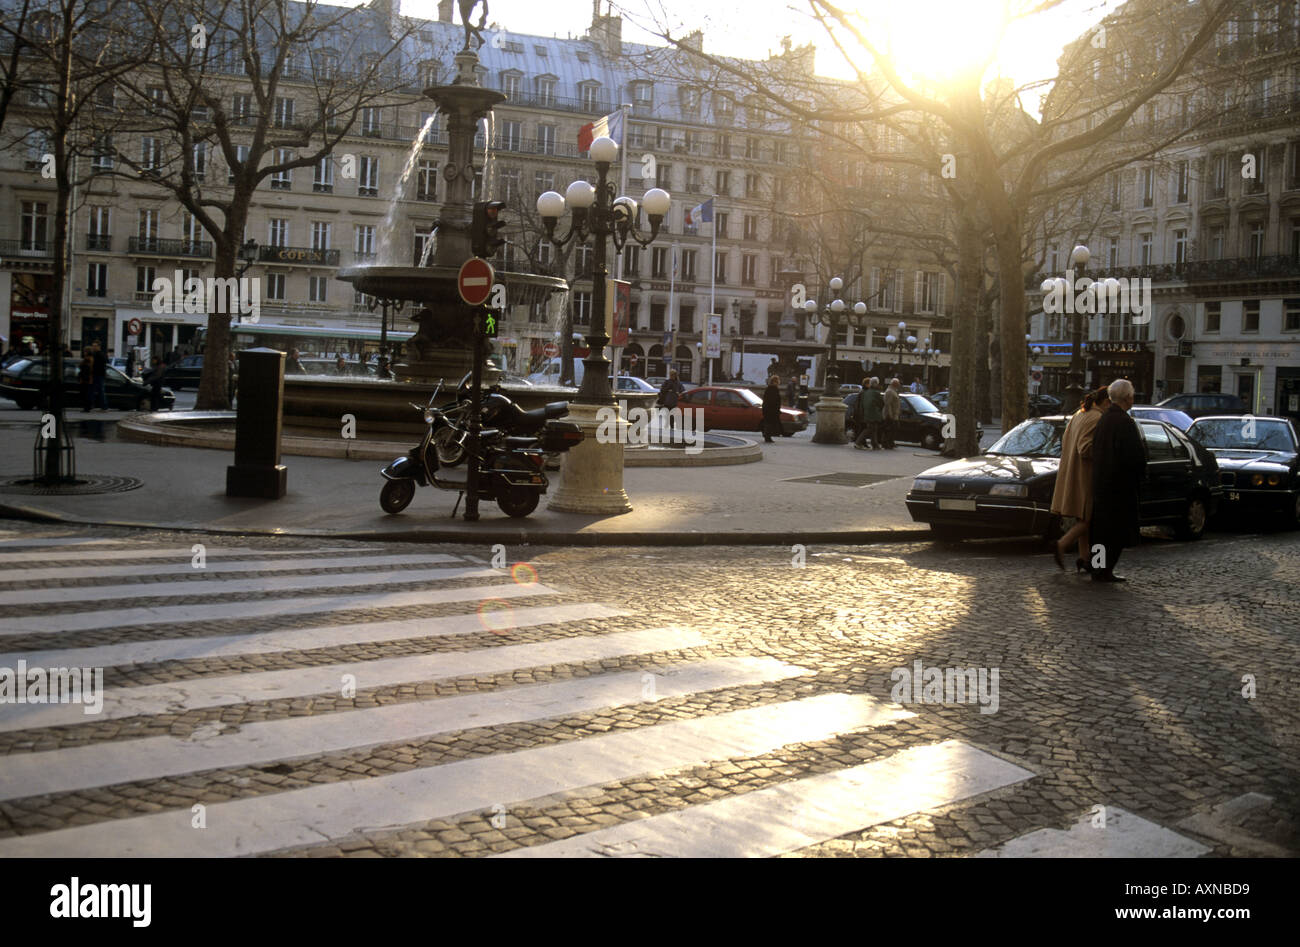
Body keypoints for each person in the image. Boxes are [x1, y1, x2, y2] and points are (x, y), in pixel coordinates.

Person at [1089, 378, 1144, 583]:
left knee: (1101, 531)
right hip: (1119, 486)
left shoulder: (1103, 419)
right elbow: (1133, 456)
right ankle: (1105, 570)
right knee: (1116, 533)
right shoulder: (1125, 422)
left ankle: (1098, 568)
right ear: (1128, 398)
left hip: (1101, 482)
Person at [1050, 386, 1110, 573]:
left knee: (1084, 519)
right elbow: (1085, 448)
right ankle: (1062, 544)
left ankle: (1084, 558)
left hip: (1073, 473)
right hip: (1086, 475)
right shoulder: (1096, 417)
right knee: (1088, 519)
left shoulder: (1080, 414)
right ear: (1106, 402)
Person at [854, 377, 884, 449]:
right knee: (870, 429)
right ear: (875, 384)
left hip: (866, 413)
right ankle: (858, 442)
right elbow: (881, 403)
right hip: (874, 413)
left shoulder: (866, 392)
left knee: (873, 429)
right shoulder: (876, 393)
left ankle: (875, 445)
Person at [656, 370, 685, 441]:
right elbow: (662, 389)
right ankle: (668, 427)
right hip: (667, 401)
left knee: (671, 415)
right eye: (670, 375)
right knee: (668, 415)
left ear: (675, 375)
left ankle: (670, 427)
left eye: (672, 375)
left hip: (674, 402)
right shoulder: (667, 382)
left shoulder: (678, 383)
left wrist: (679, 393)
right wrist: (668, 388)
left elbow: (683, 391)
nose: (671, 376)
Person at [761, 374, 783, 443]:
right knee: (770, 423)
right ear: (775, 381)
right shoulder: (774, 389)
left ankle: (767, 436)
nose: (779, 382)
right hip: (771, 410)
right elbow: (774, 401)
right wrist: (777, 409)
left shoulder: (769, 388)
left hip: (767, 409)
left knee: (768, 423)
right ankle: (767, 436)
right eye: (778, 381)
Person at [882, 378, 901, 449]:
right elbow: (888, 404)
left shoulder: (893, 391)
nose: (899, 385)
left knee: (894, 429)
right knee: (889, 429)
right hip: (890, 415)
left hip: (894, 414)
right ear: (894, 384)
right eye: (898, 383)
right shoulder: (890, 391)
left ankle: (890, 442)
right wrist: (889, 415)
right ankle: (886, 443)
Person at [90, 341, 108, 410]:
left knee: (101, 391)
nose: (93, 347)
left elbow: (102, 364)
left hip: (99, 375)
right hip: (96, 374)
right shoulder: (94, 354)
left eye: (95, 346)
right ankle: (94, 405)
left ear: (98, 347)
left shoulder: (101, 355)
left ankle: (104, 406)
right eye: (93, 346)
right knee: (94, 391)